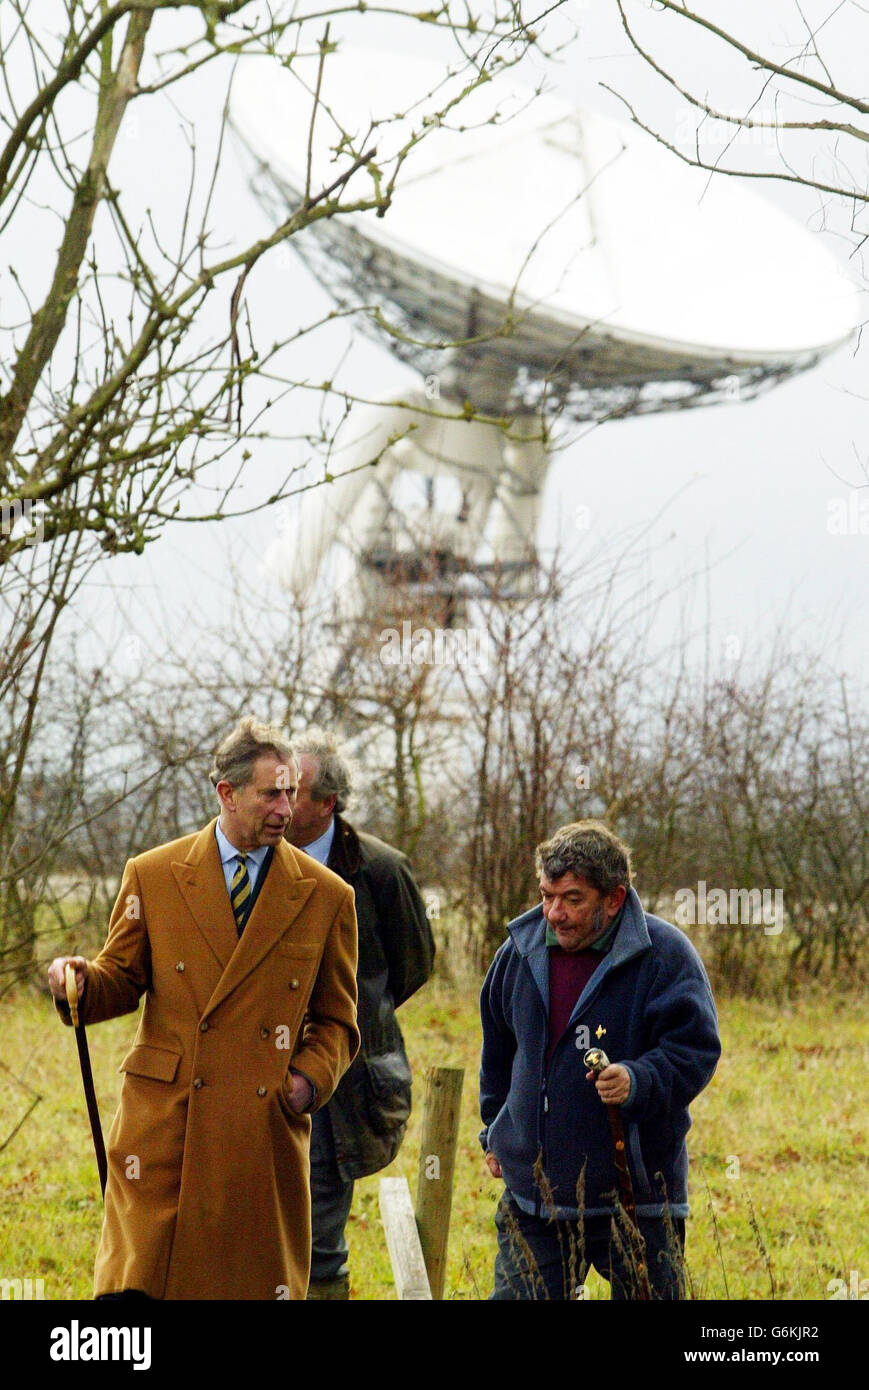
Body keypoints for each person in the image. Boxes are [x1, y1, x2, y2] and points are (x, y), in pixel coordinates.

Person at [47, 717, 359, 1301]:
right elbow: (119, 978)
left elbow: (338, 1020)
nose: (286, 809)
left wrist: (305, 1083)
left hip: (260, 1136)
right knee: (141, 1295)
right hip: (167, 1129)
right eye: (271, 792)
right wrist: (77, 980)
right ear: (227, 793)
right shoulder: (154, 874)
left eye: (291, 792)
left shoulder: (326, 895)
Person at [479, 819, 721, 1301]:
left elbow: (695, 1050)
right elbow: (499, 1054)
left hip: (638, 1197)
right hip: (538, 1199)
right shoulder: (518, 954)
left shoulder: (665, 956)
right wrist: (497, 1130)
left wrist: (639, 1079)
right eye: (547, 896)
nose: (554, 913)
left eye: (572, 899)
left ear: (613, 898)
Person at [286, 728, 435, 1299]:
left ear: (327, 803)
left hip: (340, 1080)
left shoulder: (378, 869)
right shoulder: (255, 861)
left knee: (321, 1232)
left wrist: (343, 1023)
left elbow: (410, 965)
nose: (279, 798)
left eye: (292, 790)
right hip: (256, 1069)